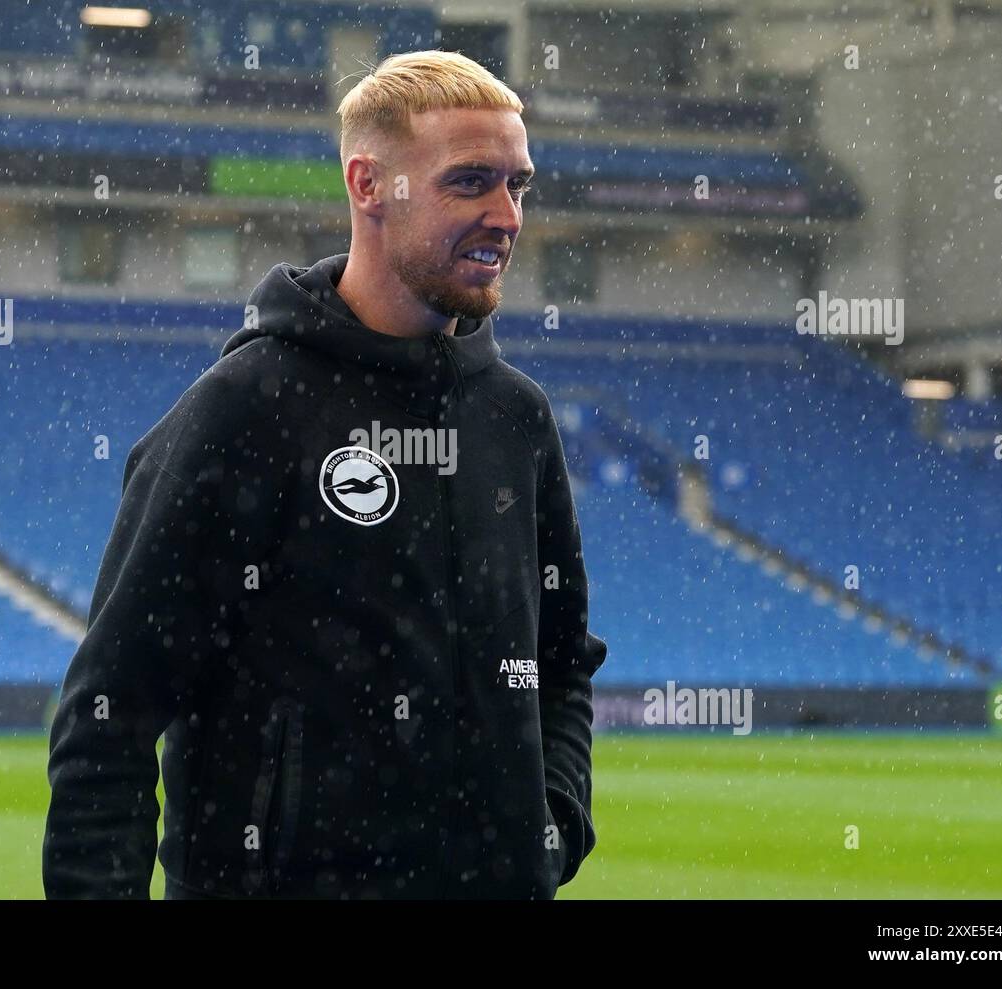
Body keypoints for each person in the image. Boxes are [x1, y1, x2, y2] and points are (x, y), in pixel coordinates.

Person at [43, 49, 608, 900]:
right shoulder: (244, 407)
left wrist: (551, 828)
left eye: (518, 186)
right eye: (470, 183)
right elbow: (108, 717)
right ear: (369, 185)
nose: (506, 215)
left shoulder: (516, 418)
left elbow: (559, 664)